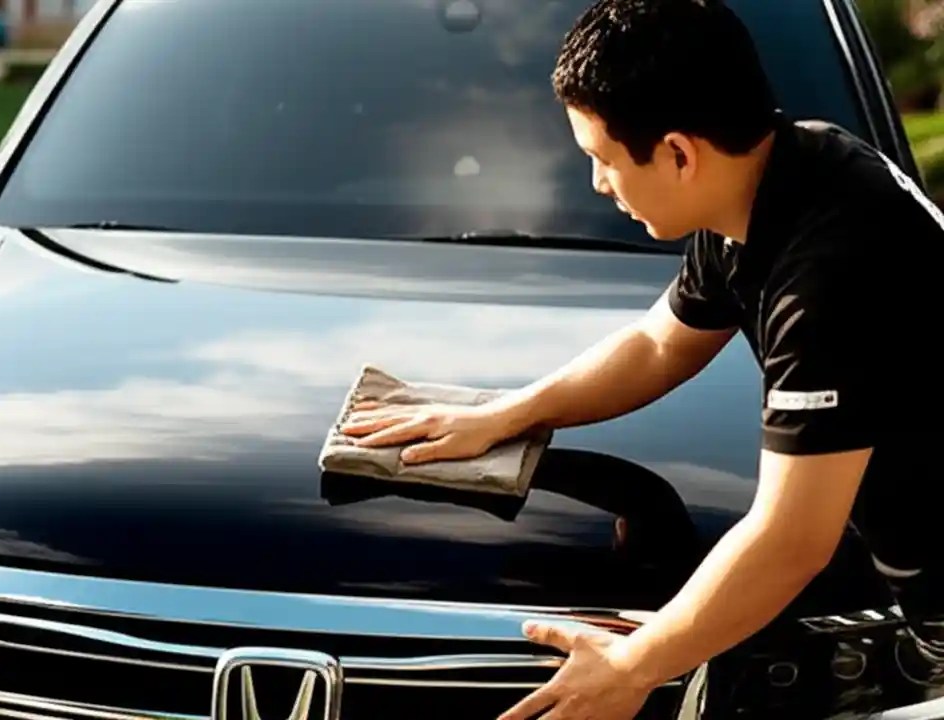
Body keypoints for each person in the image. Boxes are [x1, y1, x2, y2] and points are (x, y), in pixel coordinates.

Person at [338, 0, 944, 718]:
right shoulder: (784, 175)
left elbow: (790, 540)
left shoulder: (827, 277)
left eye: (601, 159)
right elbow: (660, 345)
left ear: (680, 153)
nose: (598, 183)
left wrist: (629, 670)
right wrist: (506, 413)